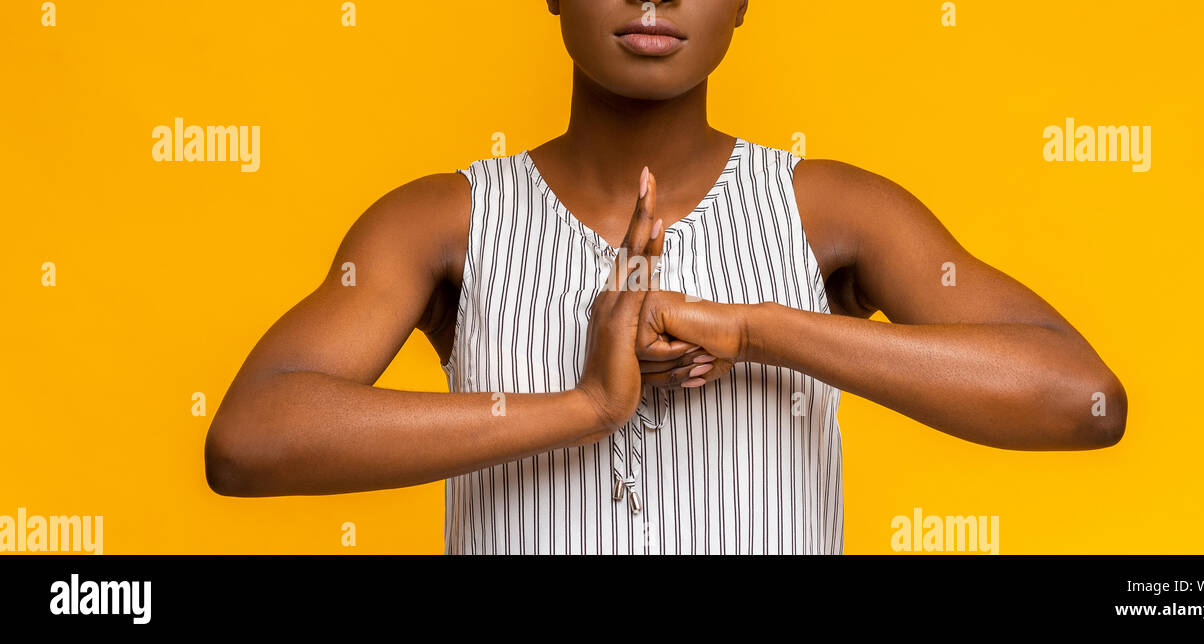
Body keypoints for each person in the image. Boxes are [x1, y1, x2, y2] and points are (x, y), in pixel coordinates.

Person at [205, 0, 1126, 555]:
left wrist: (763, 329)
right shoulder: (439, 221)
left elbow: (1079, 399)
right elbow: (249, 442)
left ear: (744, 3)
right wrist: (584, 409)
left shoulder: (837, 212)